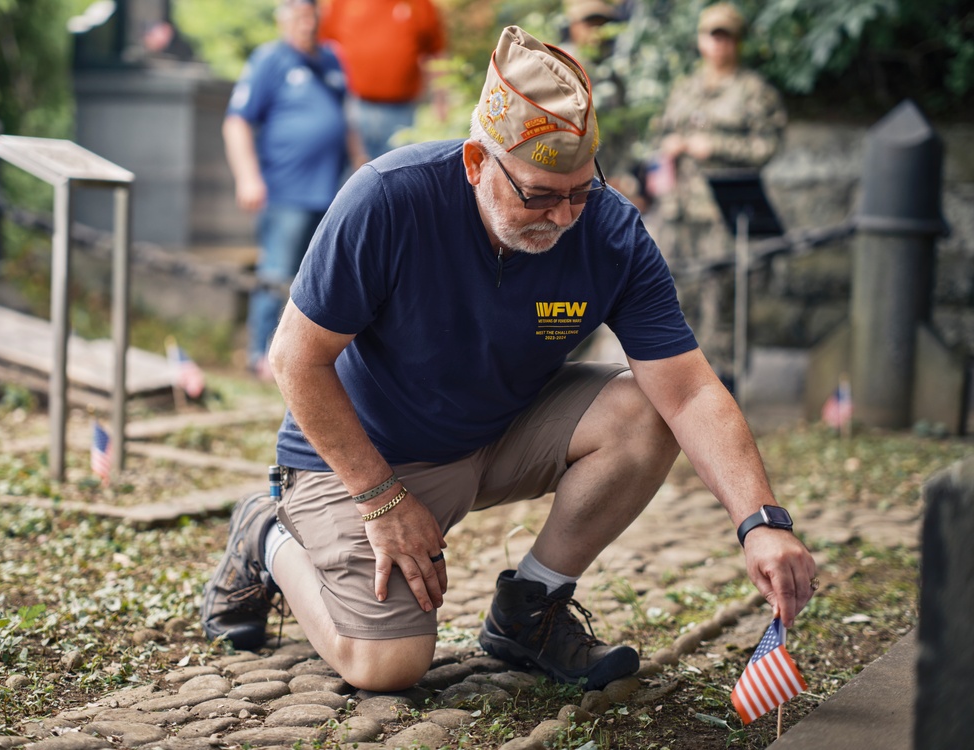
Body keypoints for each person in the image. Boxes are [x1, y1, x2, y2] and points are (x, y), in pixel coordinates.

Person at [201, 25, 816, 693]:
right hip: (360, 460)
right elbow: (295, 359)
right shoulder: (389, 198)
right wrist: (379, 498)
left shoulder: (610, 231)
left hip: (495, 433)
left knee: (647, 410)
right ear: (476, 161)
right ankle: (265, 533)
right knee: (389, 665)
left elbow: (691, 392)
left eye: (580, 191)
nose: (565, 216)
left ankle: (531, 607)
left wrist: (761, 523)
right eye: (539, 195)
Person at [222, 0, 365, 380]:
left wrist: (362, 165)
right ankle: (261, 355)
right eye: (299, 16)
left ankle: (308, 358)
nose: (306, 23)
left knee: (321, 278)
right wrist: (247, 176)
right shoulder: (269, 60)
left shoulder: (332, 59)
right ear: (282, 19)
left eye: (311, 15)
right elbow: (236, 122)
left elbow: (346, 121)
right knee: (276, 272)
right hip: (285, 191)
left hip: (331, 192)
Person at [647, 2, 787, 384]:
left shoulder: (753, 91)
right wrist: (670, 146)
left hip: (721, 213)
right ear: (700, 40)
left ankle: (723, 383)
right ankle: (677, 383)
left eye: (726, 37)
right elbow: (661, 135)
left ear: (737, 42)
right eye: (712, 35)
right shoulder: (685, 88)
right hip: (679, 211)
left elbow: (767, 146)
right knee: (675, 295)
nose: (718, 44)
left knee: (722, 299)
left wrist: (716, 147)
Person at [318, 0, 446, 159]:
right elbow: (322, 48)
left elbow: (435, 53)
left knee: (399, 166)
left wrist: (440, 101)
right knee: (355, 169)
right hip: (354, 107)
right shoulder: (341, 4)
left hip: (401, 110)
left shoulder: (419, 4)